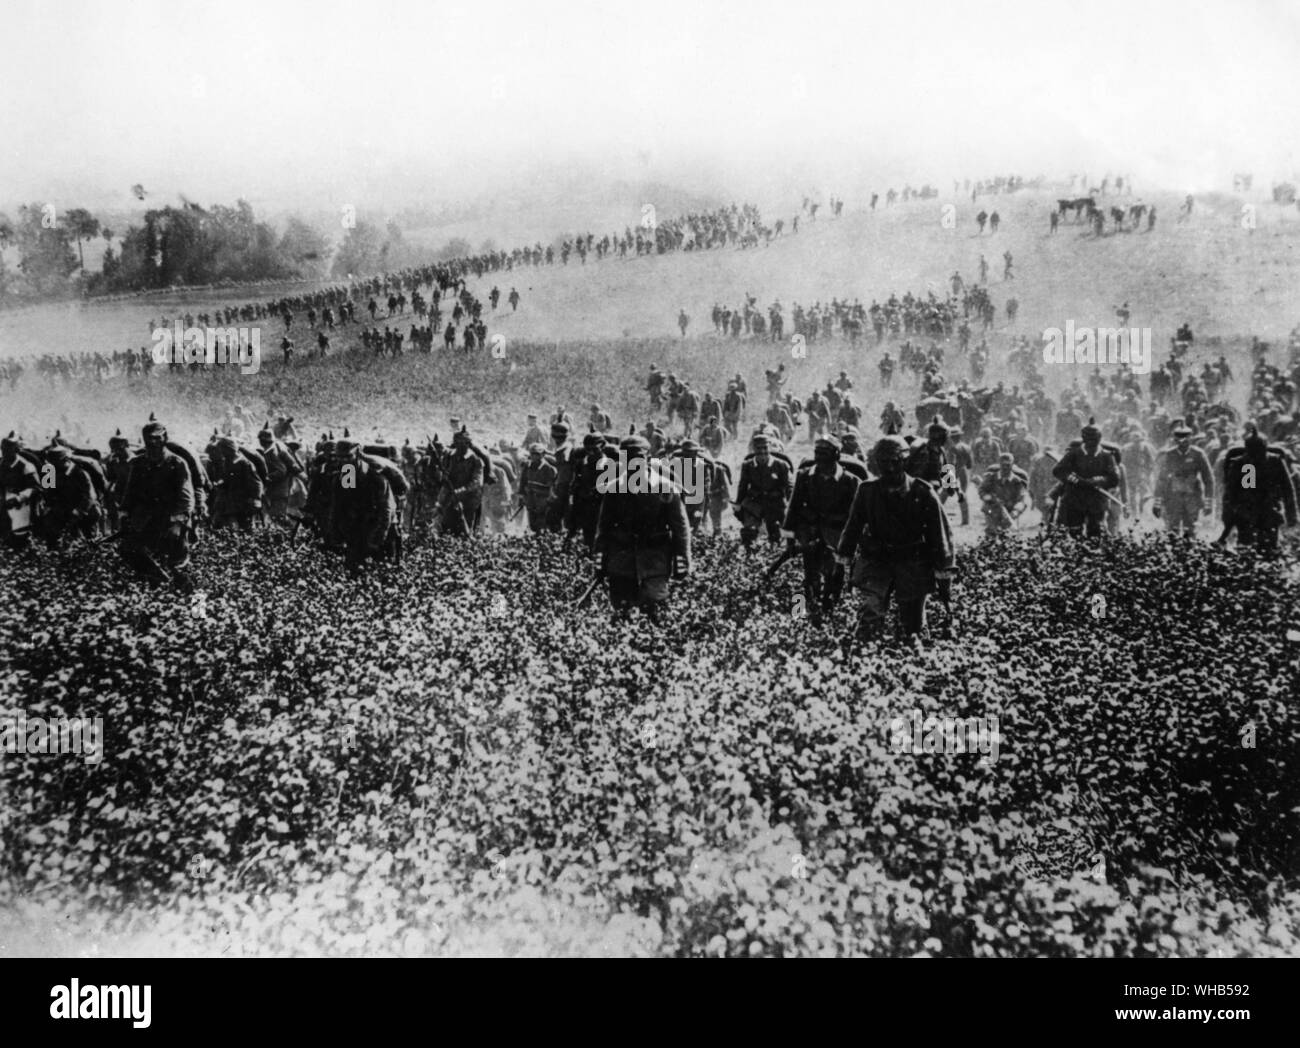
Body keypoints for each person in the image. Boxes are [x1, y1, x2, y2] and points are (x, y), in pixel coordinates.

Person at [836, 436, 956, 640]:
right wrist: (841, 561)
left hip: (912, 564)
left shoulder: (923, 491)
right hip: (876, 562)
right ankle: (865, 659)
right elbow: (852, 527)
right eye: (884, 462)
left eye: (895, 462)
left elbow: (939, 535)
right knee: (870, 615)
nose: (889, 468)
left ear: (905, 461)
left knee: (913, 626)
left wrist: (943, 571)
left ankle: (916, 659)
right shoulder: (867, 491)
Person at [592, 434, 691, 622]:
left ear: (647, 459)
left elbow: (680, 529)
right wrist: (600, 560)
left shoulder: (666, 488)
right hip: (621, 560)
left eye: (638, 459)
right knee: (622, 612)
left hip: (655, 559)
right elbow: (603, 529)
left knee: (656, 612)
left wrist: (682, 559)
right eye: (628, 459)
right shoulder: (614, 489)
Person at [782, 435, 860, 624]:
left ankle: (830, 613)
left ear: (836, 455)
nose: (820, 458)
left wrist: (854, 543)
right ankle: (799, 617)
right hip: (810, 533)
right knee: (809, 577)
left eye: (825, 453)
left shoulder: (851, 481)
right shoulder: (805, 476)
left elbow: (856, 517)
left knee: (834, 577)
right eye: (817, 453)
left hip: (836, 536)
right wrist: (790, 539)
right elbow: (794, 507)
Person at [119, 418, 195, 585]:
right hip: (147, 518)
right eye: (148, 439)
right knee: (129, 549)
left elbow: (185, 497)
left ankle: (184, 590)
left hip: (172, 518)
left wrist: (177, 522)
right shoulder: (138, 463)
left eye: (156, 438)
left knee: (178, 559)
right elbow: (130, 492)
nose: (152, 443)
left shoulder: (177, 463)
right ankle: (159, 581)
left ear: (164, 438)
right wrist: (124, 514)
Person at [1220, 427, 1298, 552]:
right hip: (1247, 512)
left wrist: (1292, 516)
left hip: (1268, 511)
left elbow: (1287, 489)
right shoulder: (1240, 463)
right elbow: (1230, 493)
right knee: (1246, 548)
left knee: (1269, 548)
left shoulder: (1274, 461)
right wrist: (1230, 516)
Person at [1051, 420, 1120, 538]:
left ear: (1099, 438)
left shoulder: (1107, 456)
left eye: (1094, 438)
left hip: (1096, 499)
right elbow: (1058, 470)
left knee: (1096, 533)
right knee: (1074, 532)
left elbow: (1114, 479)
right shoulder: (1074, 453)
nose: (1092, 442)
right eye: (1089, 438)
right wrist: (1075, 479)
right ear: (1083, 438)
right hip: (1075, 498)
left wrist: (1100, 480)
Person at [1153, 424, 1214, 536]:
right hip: (1173, 497)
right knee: (1172, 531)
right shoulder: (1170, 454)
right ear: (1175, 440)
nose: (1182, 442)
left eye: (1186, 438)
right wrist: (1157, 503)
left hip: (1193, 497)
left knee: (1190, 530)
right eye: (1179, 439)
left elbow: (1208, 479)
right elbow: (1161, 479)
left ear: (1190, 439)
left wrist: (1208, 503)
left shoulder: (1198, 454)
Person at [36, 444, 101, 547]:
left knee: (89, 542)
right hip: (64, 510)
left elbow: (90, 497)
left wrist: (78, 511)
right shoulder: (50, 472)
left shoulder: (80, 473)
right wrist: (49, 507)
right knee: (53, 533)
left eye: (55, 463)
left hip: (86, 511)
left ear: (65, 460)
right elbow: (48, 493)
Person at [735, 434, 792, 550]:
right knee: (749, 532)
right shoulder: (748, 465)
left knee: (776, 532)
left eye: (765, 448)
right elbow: (743, 486)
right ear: (753, 449)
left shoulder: (781, 465)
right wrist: (738, 504)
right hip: (755, 502)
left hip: (775, 503)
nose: (762, 452)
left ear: (770, 448)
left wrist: (791, 506)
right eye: (758, 449)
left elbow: (789, 487)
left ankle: (774, 548)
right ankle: (749, 552)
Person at [435, 428, 484, 537]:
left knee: (465, 530)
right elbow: (441, 479)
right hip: (450, 497)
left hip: (469, 499)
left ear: (468, 444)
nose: (461, 446)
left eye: (464, 443)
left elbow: (476, 482)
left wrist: (461, 491)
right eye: (458, 443)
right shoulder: (448, 457)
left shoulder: (475, 460)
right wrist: (443, 476)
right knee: (446, 528)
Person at [208, 436, 263, 531]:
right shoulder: (228, 462)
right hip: (230, 501)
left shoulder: (245, 464)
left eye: (223, 450)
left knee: (244, 528)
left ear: (229, 449)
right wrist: (219, 483)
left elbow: (256, 483)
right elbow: (226, 478)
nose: (221, 453)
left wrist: (255, 500)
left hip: (243, 502)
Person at [978, 453, 1029, 533]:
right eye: (1003, 465)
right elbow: (982, 490)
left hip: (1010, 511)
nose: (1005, 467)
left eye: (1008, 465)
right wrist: (988, 497)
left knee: (1008, 534)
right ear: (999, 464)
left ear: (1012, 465)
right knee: (991, 532)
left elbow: (1022, 500)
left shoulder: (1017, 482)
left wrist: (1015, 511)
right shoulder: (991, 478)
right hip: (991, 509)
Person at [518, 443, 557, 533]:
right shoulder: (527, 466)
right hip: (530, 499)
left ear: (543, 455)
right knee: (533, 525)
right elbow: (522, 482)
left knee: (542, 525)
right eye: (532, 454)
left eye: (537, 454)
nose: (535, 457)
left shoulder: (549, 469)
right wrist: (521, 498)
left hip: (543, 500)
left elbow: (552, 486)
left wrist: (550, 500)